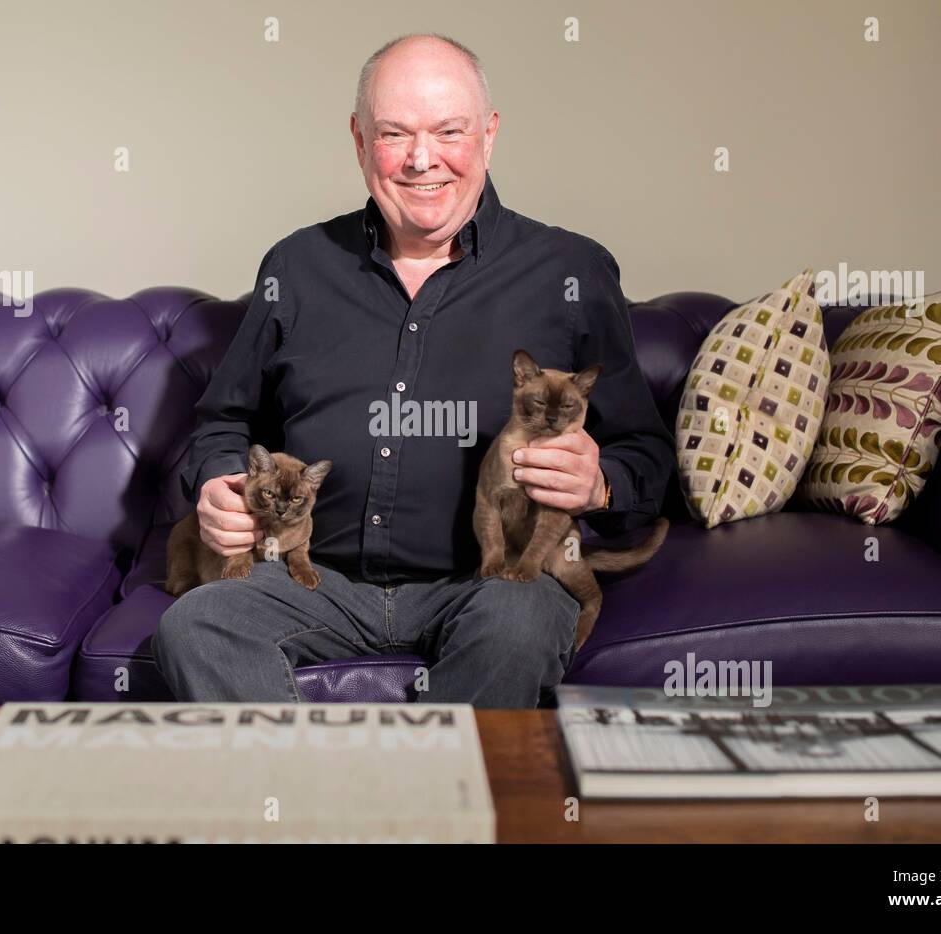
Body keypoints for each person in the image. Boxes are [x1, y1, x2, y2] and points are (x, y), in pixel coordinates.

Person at [153, 33, 674, 707]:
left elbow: (648, 454)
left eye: (449, 131)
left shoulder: (571, 271)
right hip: (313, 575)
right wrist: (221, 487)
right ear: (360, 140)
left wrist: (601, 483)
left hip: (489, 582)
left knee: (516, 630)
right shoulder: (296, 266)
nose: (422, 159)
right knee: (194, 628)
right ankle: (294, 808)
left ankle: (430, 810)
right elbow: (226, 419)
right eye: (395, 133)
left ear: (489, 134)